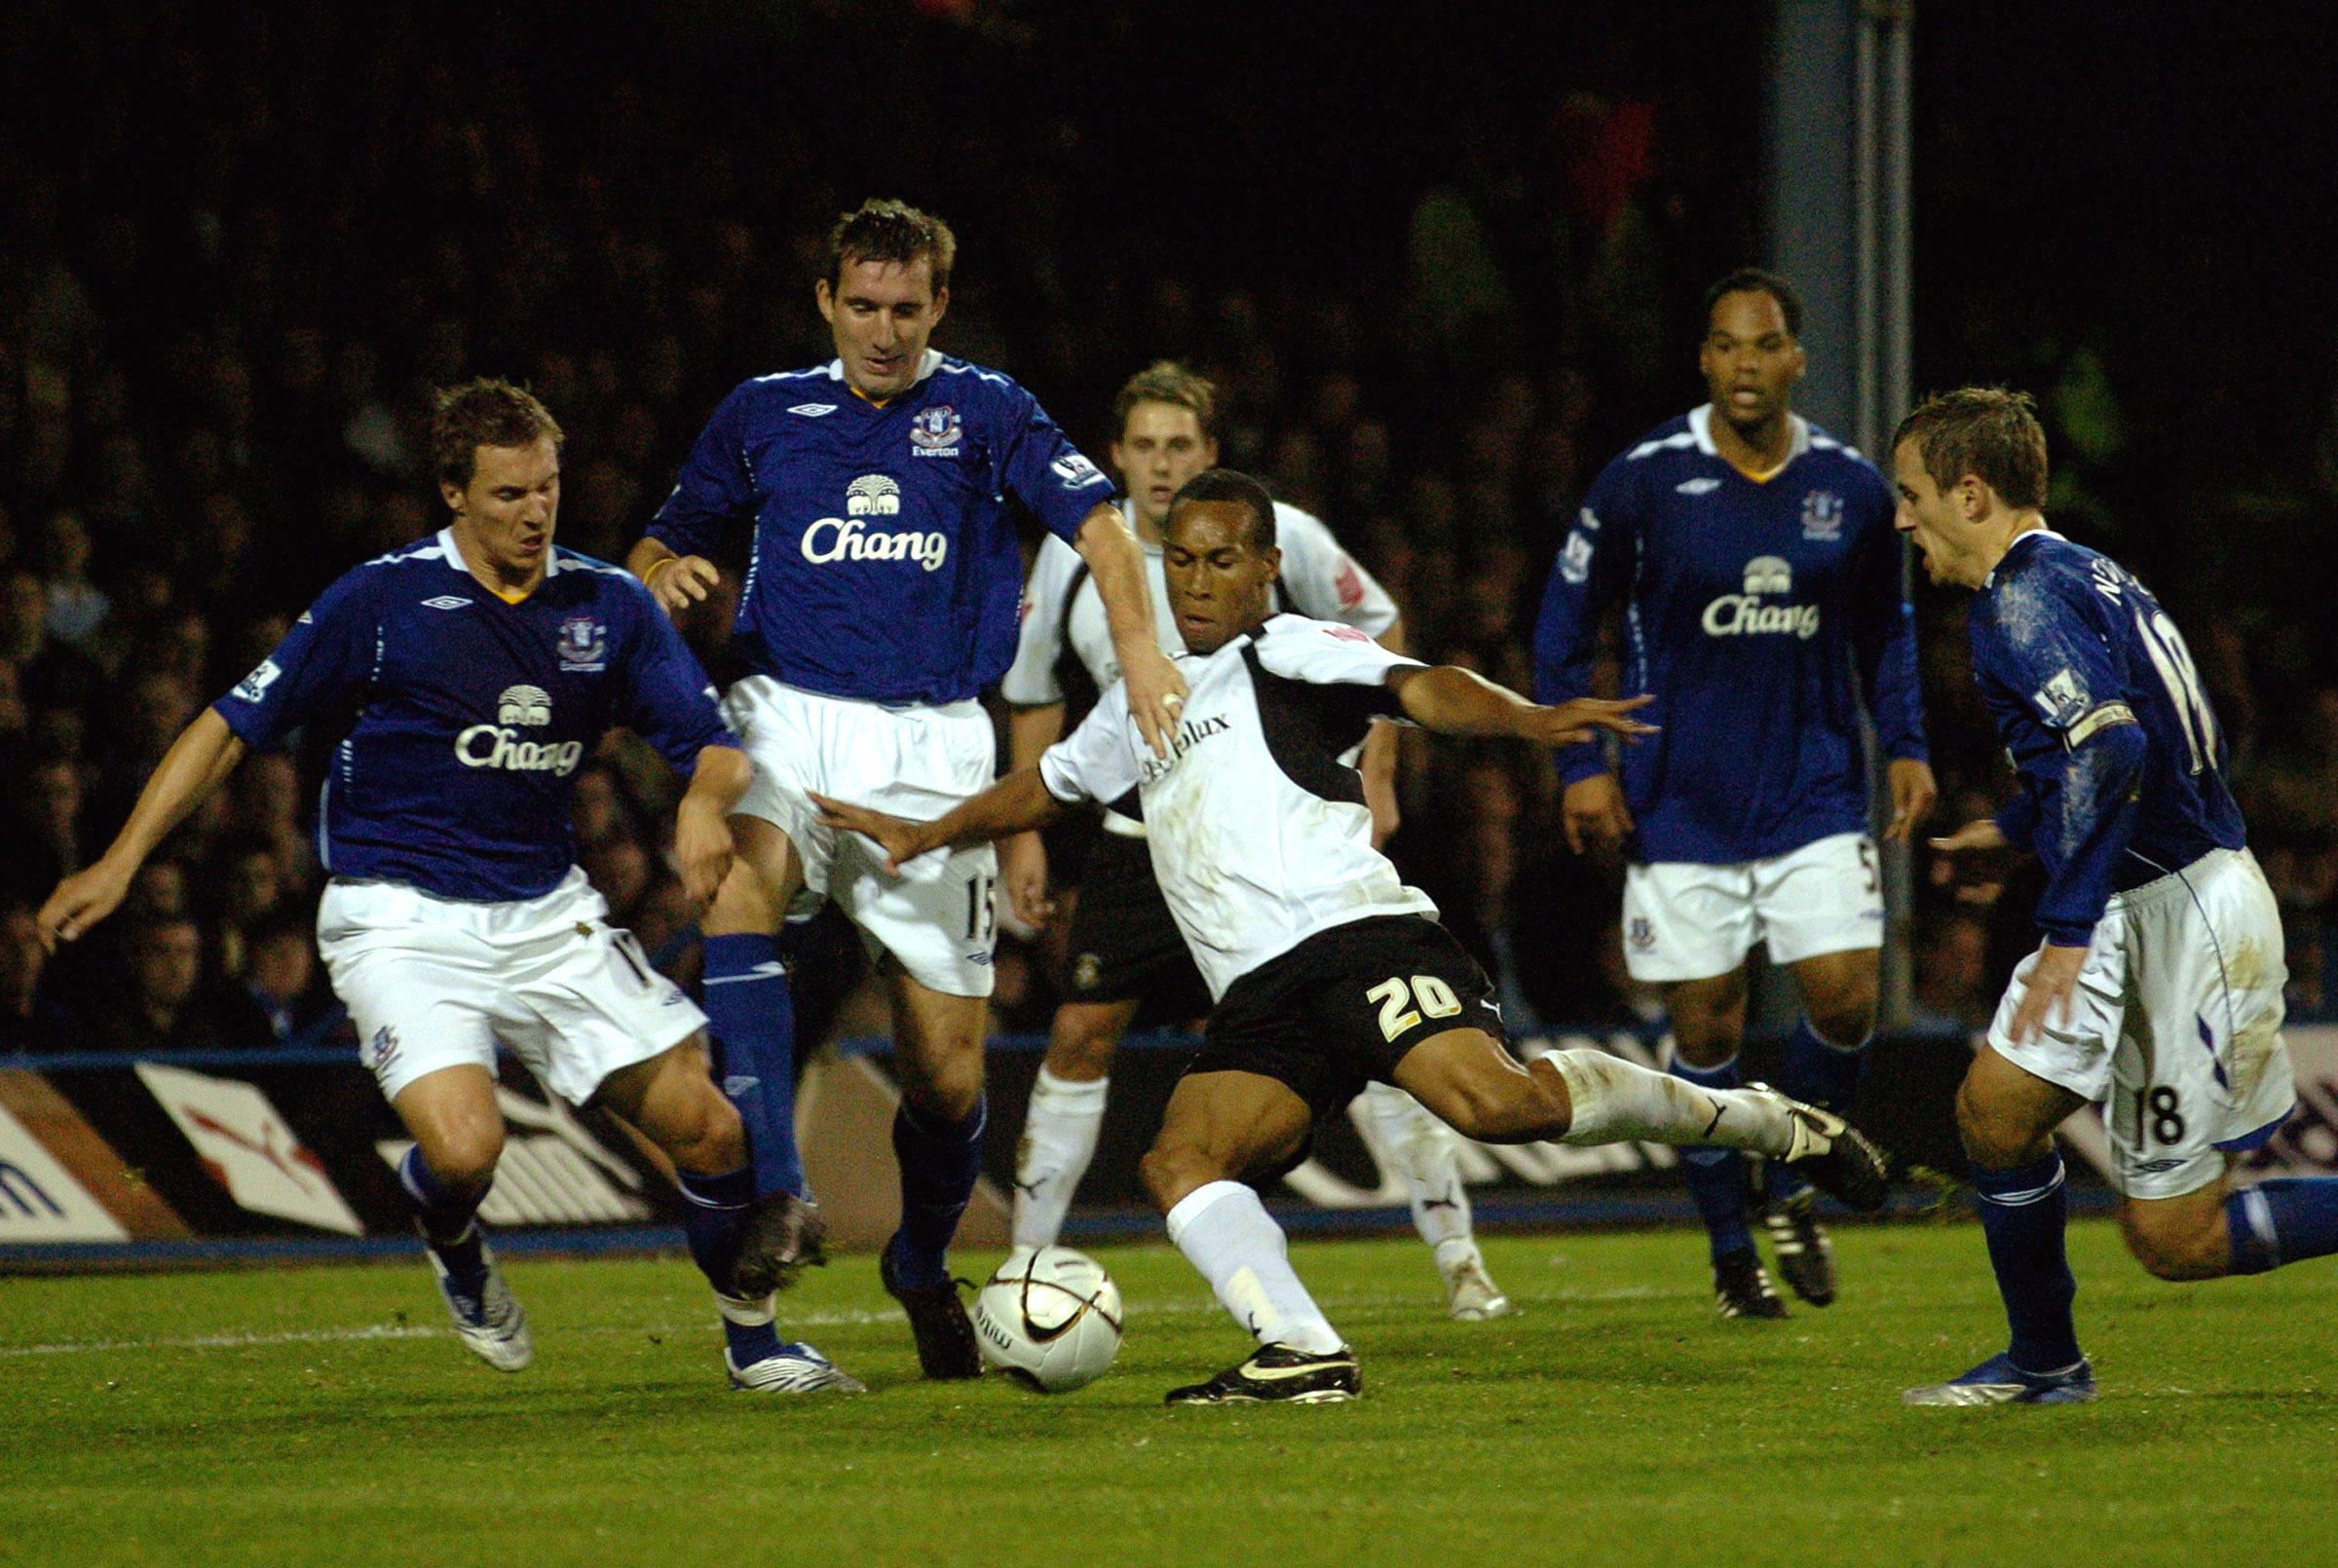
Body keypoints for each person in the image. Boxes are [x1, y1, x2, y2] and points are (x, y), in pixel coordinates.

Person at [817, 470, 1889, 1403]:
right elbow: (1047, 786)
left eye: (1219, 561)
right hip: (1261, 995)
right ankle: (1300, 1348)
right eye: (1179, 562)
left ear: (1264, 568)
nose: (1194, 581)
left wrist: (1525, 719)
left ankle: (1755, 1120)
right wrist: (928, 829)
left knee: (1499, 1106)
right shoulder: (1142, 700)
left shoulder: (1289, 647)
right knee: (1181, 1159)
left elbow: (1416, 687)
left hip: (1358, 940)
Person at [38, 381, 856, 1395]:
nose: (535, 511)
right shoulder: (380, 603)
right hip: (398, 916)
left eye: (547, 487)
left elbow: (716, 750)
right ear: (452, 494)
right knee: (470, 1150)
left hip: (546, 914)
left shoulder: (605, 604)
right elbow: (227, 727)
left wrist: (700, 801)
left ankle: (756, 1345)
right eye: (510, 493)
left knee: (712, 1126)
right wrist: (119, 862)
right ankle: (450, 1229)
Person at [627, 200, 1185, 1380]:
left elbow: (1102, 524)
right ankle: (777, 1189)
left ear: (940, 304)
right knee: (737, 883)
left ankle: (921, 1264)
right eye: (863, 307)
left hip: (934, 745)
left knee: (944, 1074)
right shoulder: (765, 412)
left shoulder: (986, 410)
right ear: (828, 303)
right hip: (786, 714)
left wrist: (1139, 659)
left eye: (907, 309)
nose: (884, 331)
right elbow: (650, 548)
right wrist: (663, 571)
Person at [999, 361, 1511, 1321]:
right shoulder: (1075, 553)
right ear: (1116, 455)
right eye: (1144, 446)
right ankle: (1024, 1266)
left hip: (1274, 839)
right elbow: (1034, 691)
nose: (1161, 465)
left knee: (1376, 1030)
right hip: (1142, 841)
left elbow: (1381, 626)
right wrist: (1021, 845)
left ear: (1212, 455)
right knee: (1078, 1032)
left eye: (1179, 446)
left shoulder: (1282, 532)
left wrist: (1380, 768)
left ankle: (1460, 1257)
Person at [1893, 389, 2337, 1406]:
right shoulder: (2086, 573)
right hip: (2141, 898)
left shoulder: (2020, 601)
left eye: (1914, 496)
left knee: (2177, 1241)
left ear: (1971, 492)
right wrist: (2016, 835)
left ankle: (2047, 1362)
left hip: (2180, 918)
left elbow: (2116, 745)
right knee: (1996, 1113)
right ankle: (2046, 1363)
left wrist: (2062, 931)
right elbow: (2152, 746)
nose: (1904, 519)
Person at [1532, 268, 1935, 1318]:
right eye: (1724, 347)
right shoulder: (1644, 480)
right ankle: (1729, 1254)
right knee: (1705, 1036)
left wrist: (1906, 742)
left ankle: (1792, 1181)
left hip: (1810, 789)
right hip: (1681, 804)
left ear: (1796, 358)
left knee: (1847, 991)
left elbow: (1886, 632)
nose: (1743, 366)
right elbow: (1561, 633)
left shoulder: (1847, 487)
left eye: (1763, 347)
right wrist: (1581, 767)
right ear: (1704, 359)